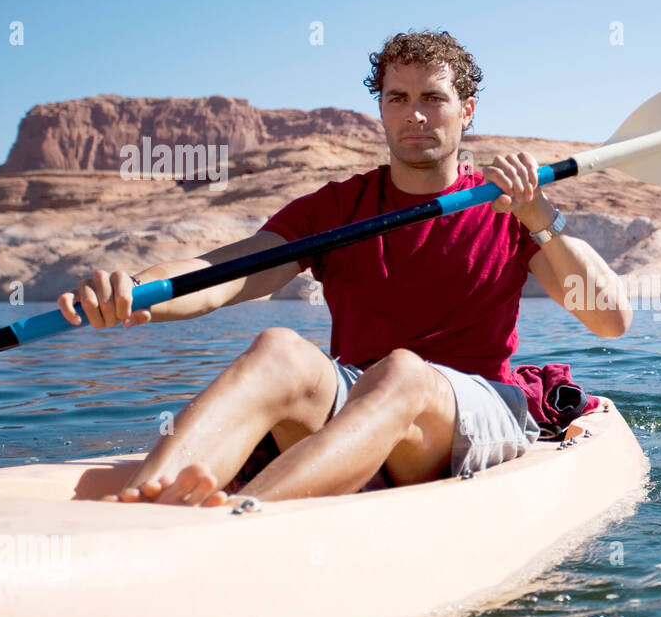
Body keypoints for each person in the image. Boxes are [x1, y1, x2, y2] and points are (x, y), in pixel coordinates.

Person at [58, 30, 631, 506]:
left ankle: (245, 521)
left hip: (478, 408)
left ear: (466, 111)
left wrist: (539, 215)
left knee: (402, 371)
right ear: (380, 108)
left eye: (432, 98)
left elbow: (610, 320)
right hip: (361, 403)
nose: (416, 116)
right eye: (397, 98)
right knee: (278, 348)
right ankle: (142, 510)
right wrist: (137, 291)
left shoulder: (509, 204)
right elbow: (224, 271)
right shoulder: (337, 208)